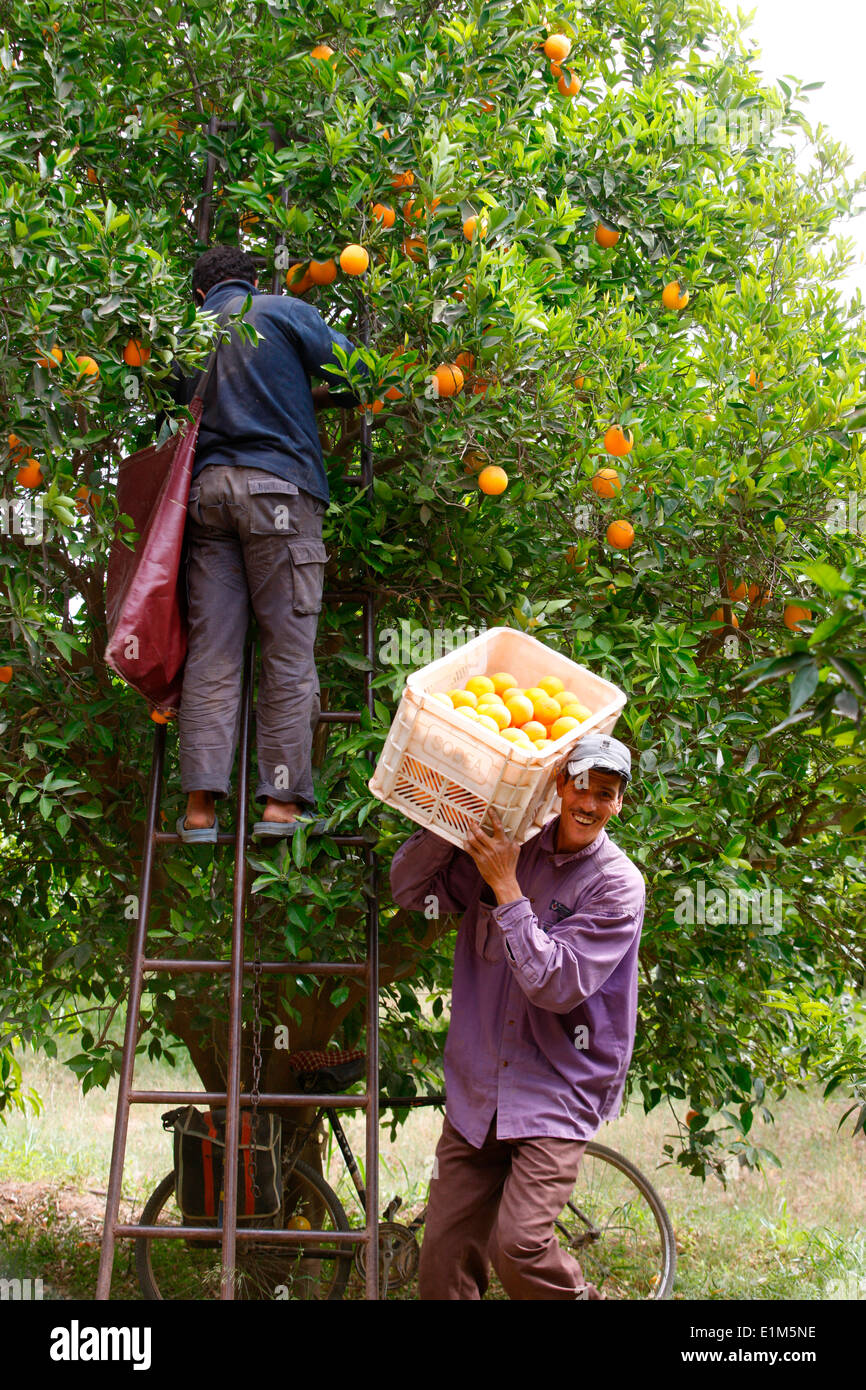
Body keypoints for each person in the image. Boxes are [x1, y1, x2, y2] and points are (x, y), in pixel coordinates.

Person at [389, 732, 646, 1300]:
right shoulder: (512, 845)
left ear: (619, 803)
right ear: (558, 786)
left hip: (555, 1090)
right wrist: (452, 814)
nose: (589, 803)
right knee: (443, 1262)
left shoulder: (617, 887)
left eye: (605, 794)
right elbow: (411, 889)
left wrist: (506, 887)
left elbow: (554, 985)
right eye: (580, 786)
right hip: (478, 1089)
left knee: (521, 1246)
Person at [170, 244, 365, 843]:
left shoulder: (182, 340)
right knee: (286, 650)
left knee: (213, 652)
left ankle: (200, 808)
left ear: (201, 295)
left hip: (206, 498)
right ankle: (280, 802)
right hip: (278, 494)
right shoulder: (280, 311)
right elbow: (358, 374)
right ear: (252, 282)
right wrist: (305, 398)